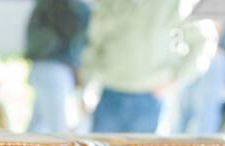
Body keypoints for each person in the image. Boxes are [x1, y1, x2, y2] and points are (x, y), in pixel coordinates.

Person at [81, 0, 216, 134]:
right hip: (110, 94)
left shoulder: (176, 4)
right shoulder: (110, 3)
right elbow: (94, 43)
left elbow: (203, 41)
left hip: (151, 97)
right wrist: (87, 88)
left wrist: (177, 80)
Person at [25, 0, 91, 135]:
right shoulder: (76, 9)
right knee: (58, 131)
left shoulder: (45, 5)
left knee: (39, 125)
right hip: (56, 70)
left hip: (42, 68)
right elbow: (77, 45)